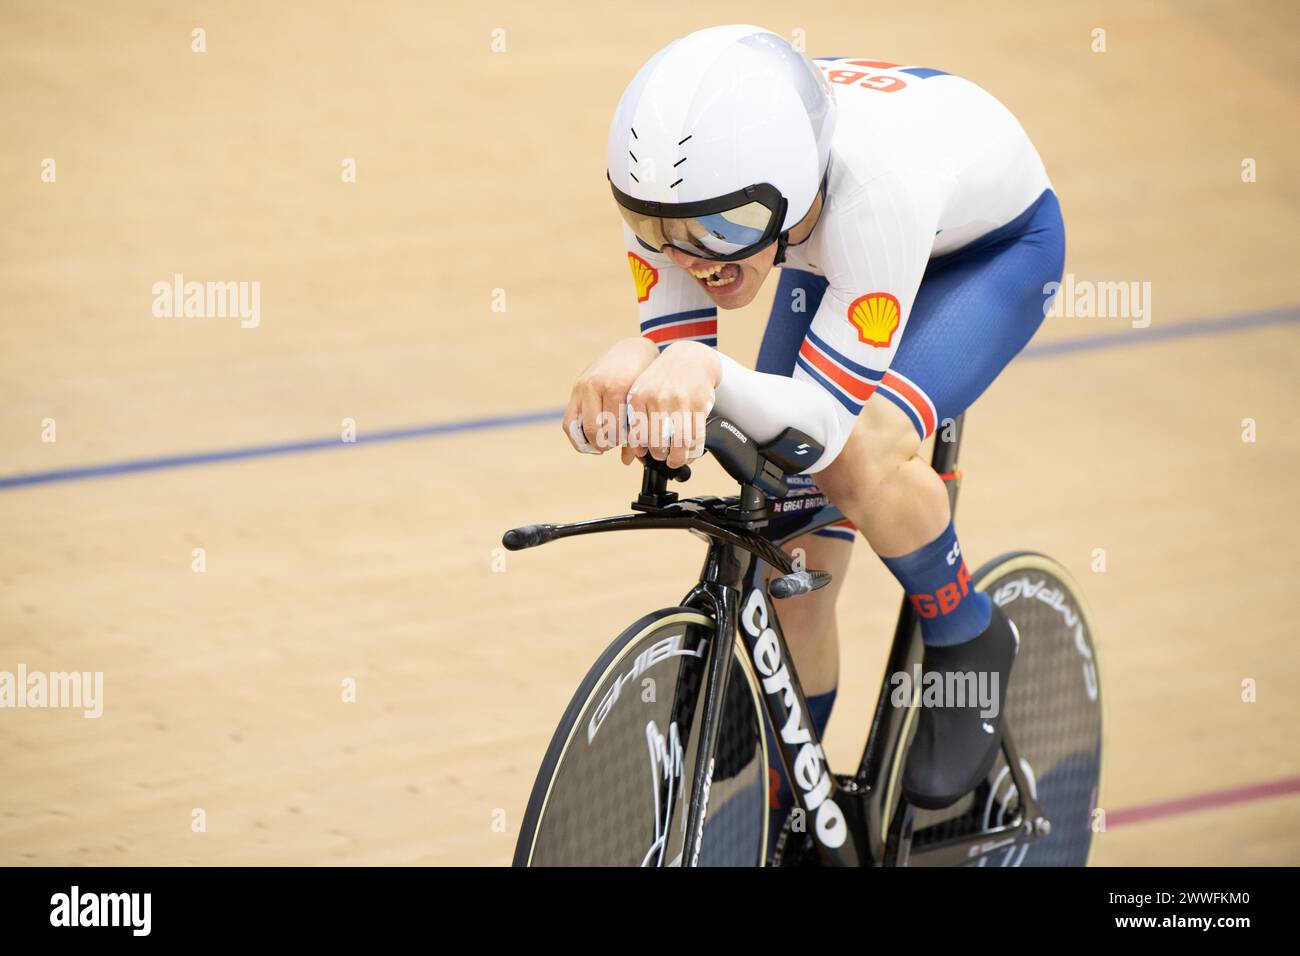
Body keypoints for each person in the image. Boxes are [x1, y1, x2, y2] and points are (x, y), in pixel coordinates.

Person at [561, 24, 1065, 848]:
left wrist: (702, 375)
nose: (696, 259)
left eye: (723, 232)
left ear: (788, 192)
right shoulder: (677, 199)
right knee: (794, 557)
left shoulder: (872, 194)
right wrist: (639, 365)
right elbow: (684, 351)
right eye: (660, 233)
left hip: (984, 256)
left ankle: (967, 628)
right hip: (824, 255)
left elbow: (821, 428)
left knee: (854, 461)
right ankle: (795, 815)